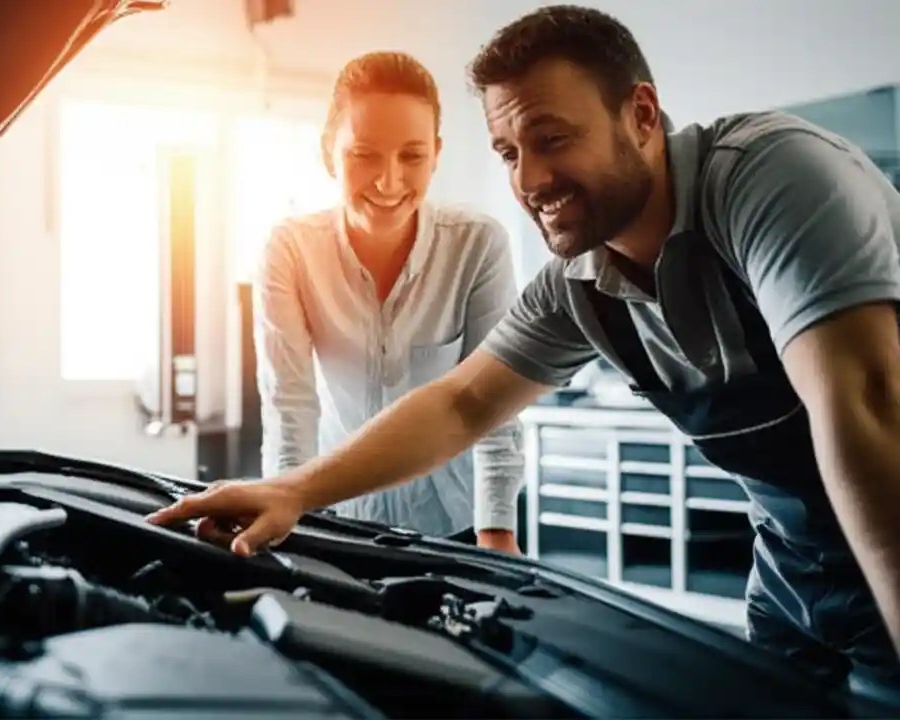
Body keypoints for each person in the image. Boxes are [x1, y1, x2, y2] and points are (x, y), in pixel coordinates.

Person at [150, 4, 900, 700]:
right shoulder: (577, 282)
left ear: (641, 114)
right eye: (508, 150)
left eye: (552, 140)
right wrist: (294, 492)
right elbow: (462, 402)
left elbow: (866, 401)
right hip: (795, 569)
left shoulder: (770, 179)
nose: (528, 180)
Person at [253, 51, 524, 542]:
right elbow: (290, 405)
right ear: (326, 153)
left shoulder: (478, 245)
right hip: (334, 516)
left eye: (412, 156)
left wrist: (498, 532)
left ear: (436, 154)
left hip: (454, 522)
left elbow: (494, 405)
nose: (389, 180)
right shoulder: (289, 249)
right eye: (365, 155)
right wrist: (290, 522)